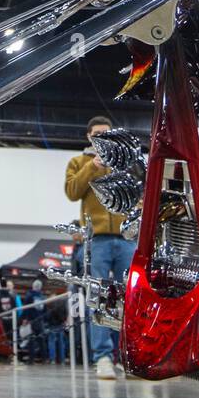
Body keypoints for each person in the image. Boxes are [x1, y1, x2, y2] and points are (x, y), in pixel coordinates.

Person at [66, 116, 131, 380]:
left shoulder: (124, 162)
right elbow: (72, 191)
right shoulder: (78, 162)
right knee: (99, 299)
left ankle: (129, 355)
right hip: (97, 240)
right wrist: (92, 166)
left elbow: (139, 190)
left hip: (127, 239)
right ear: (89, 136)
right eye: (97, 134)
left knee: (131, 300)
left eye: (107, 133)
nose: (102, 137)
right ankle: (103, 356)